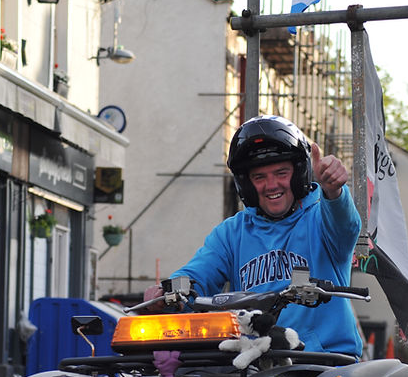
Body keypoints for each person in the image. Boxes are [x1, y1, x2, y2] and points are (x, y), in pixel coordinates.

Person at [144, 115, 362, 357]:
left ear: (300, 173)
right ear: (245, 185)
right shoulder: (231, 232)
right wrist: (166, 294)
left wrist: (334, 191)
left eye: (281, 173)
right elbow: (197, 276)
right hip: (256, 361)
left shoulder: (323, 217)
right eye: (259, 177)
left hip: (322, 363)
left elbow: (347, 225)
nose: (271, 185)